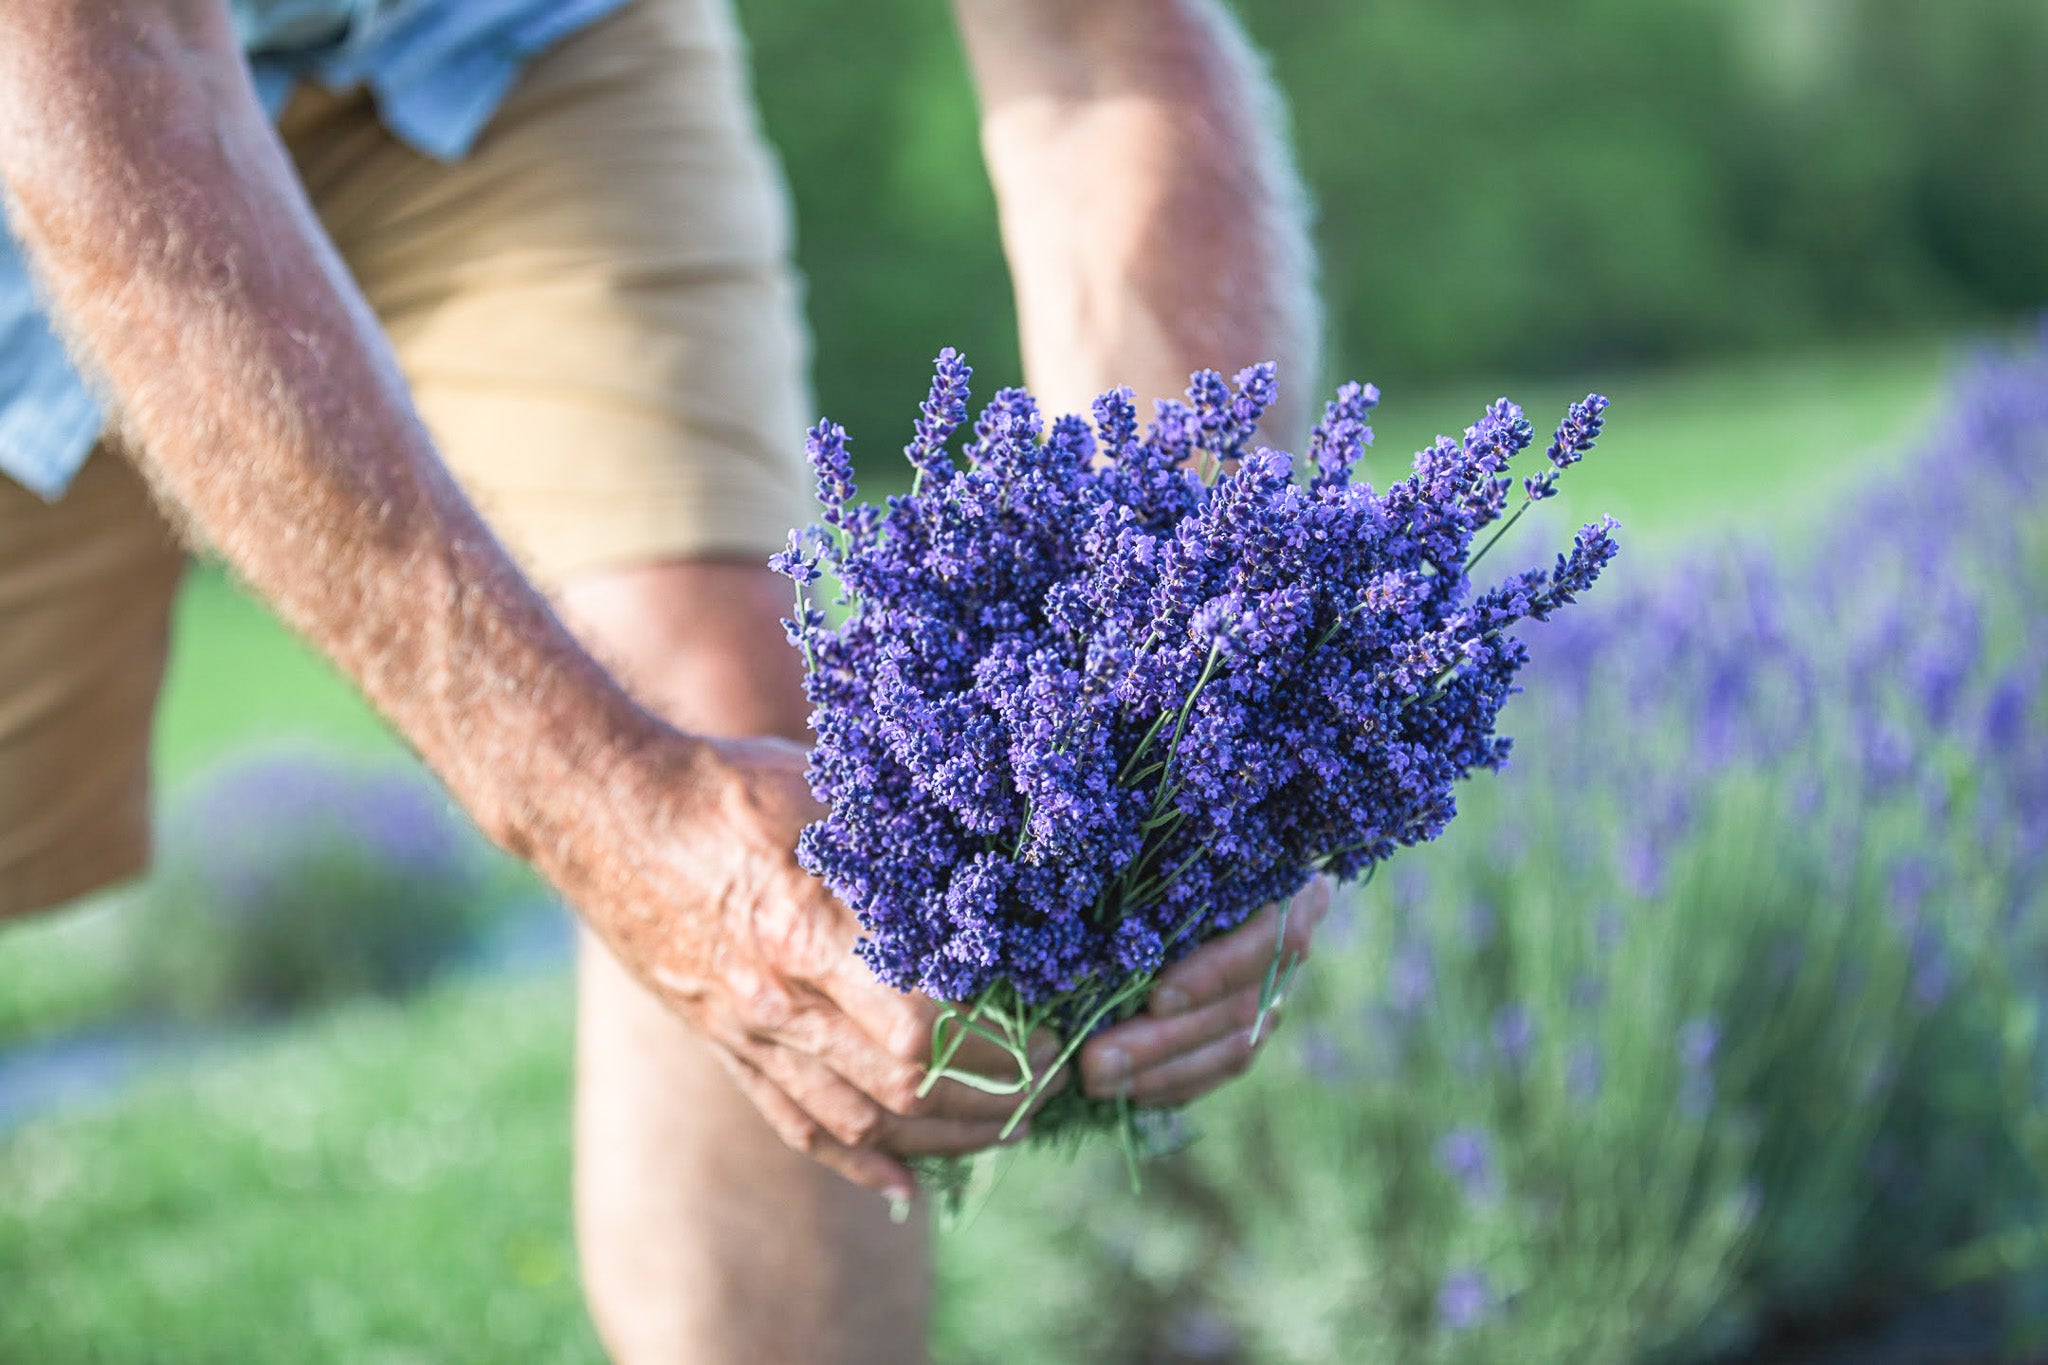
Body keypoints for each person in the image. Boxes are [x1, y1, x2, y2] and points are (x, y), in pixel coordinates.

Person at [0, 1, 1325, 1359]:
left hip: (497, 40)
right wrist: (605, 806)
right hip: (73, 78)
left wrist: (1194, 699)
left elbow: (1100, 51)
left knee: (763, 791)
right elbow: (113, 70)